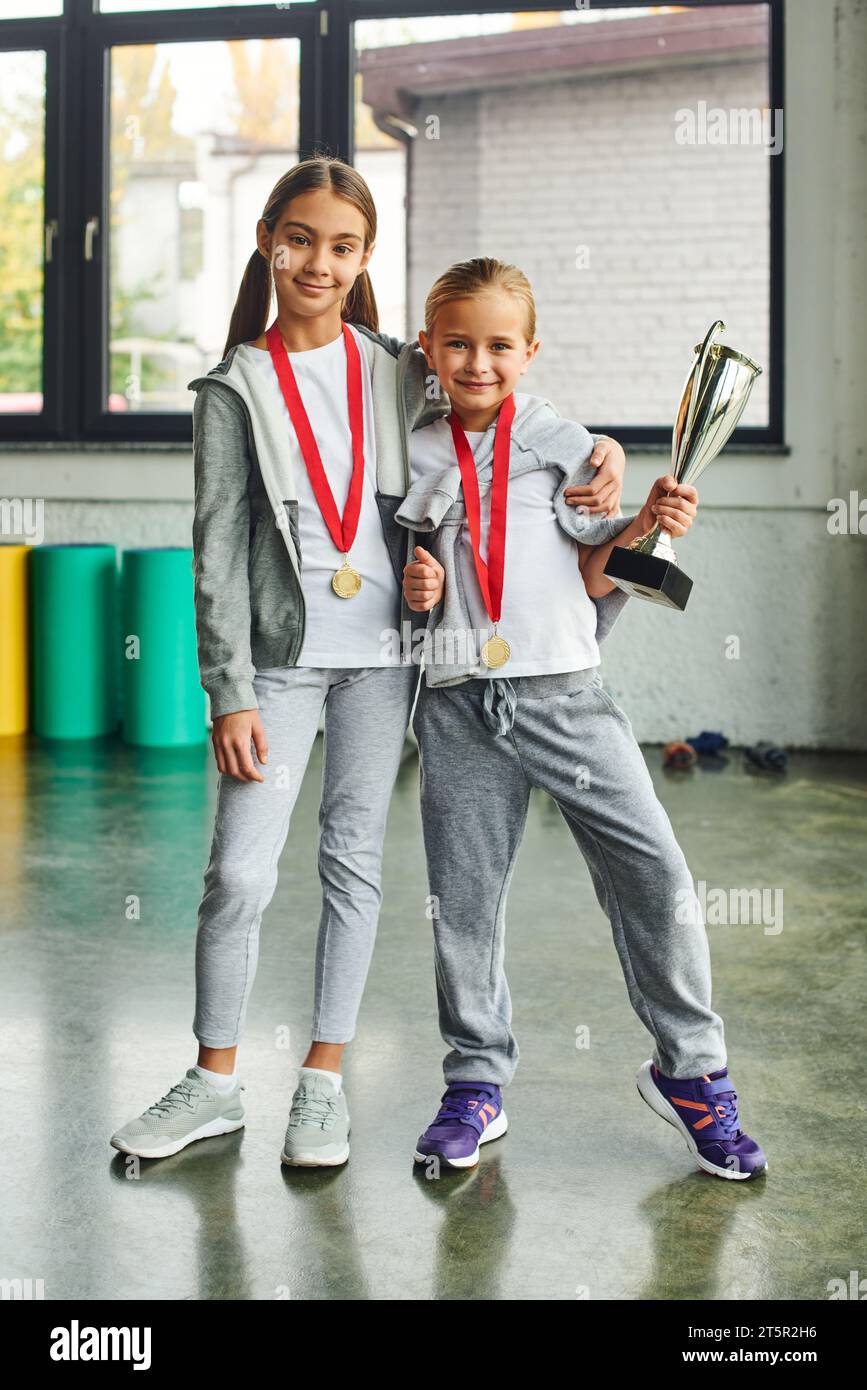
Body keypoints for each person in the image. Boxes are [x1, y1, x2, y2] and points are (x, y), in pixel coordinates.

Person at [109, 162, 628, 1168]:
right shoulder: (234, 387)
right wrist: (230, 688)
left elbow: (503, 387)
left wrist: (595, 444)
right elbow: (214, 546)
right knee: (238, 874)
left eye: (343, 246)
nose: (319, 262)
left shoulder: (397, 365)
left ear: (363, 258)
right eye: (300, 239)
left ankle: (323, 1081)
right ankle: (215, 1082)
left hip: (386, 659)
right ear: (267, 239)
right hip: (284, 662)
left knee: (354, 866)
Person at [398, 257, 767, 1181]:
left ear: (529, 351)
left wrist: (643, 516)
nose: (476, 362)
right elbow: (401, 585)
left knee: (655, 875)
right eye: (456, 343)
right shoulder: (408, 449)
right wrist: (419, 590)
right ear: (427, 350)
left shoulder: (561, 443)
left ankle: (690, 1074)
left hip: (565, 696)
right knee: (465, 901)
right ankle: (475, 1080)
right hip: (455, 704)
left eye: (496, 345)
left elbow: (595, 573)